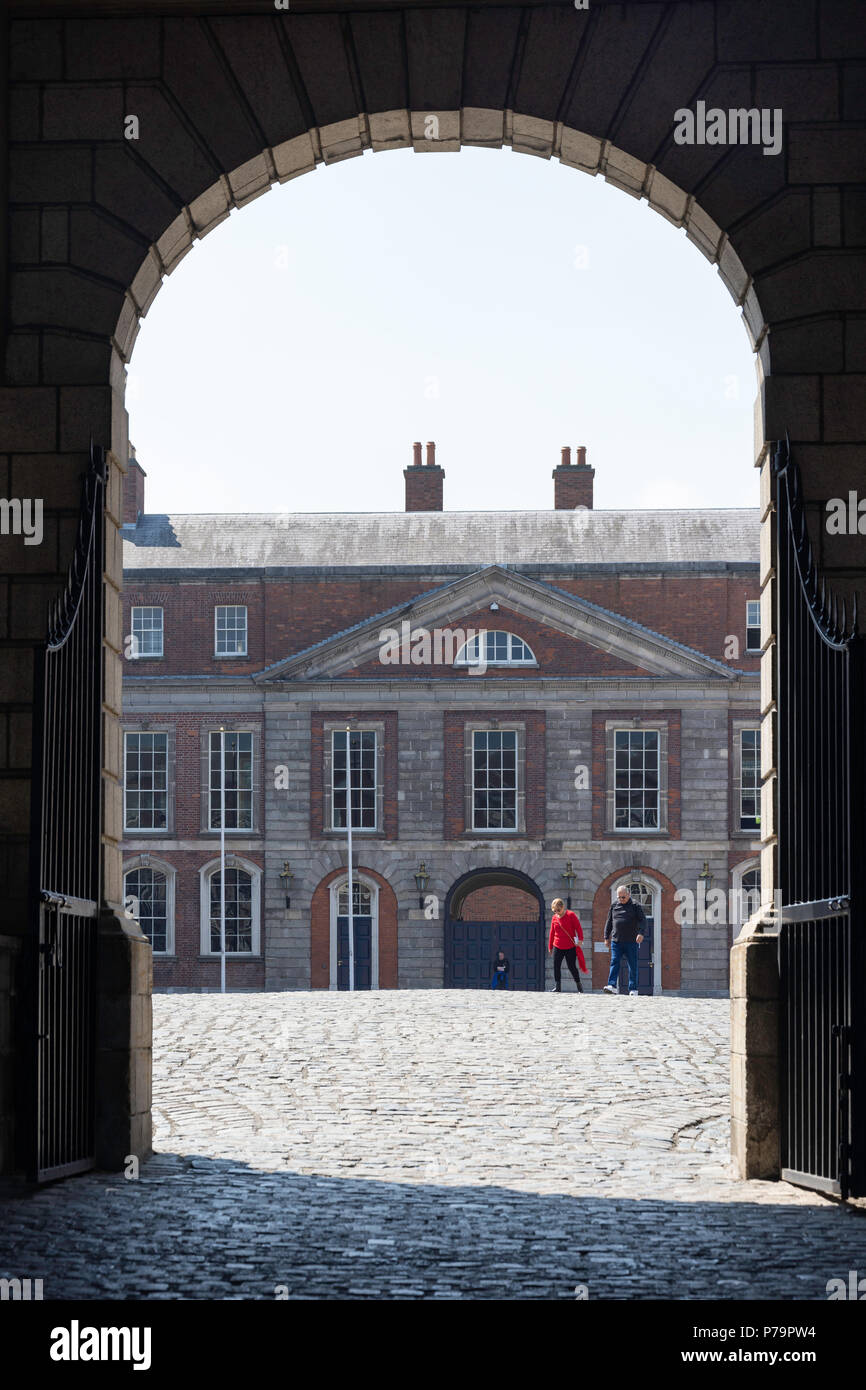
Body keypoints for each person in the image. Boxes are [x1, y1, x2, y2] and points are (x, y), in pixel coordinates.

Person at [602, 884, 646, 996]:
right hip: (616, 941)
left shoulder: (635, 905)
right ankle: (612, 985)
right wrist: (606, 937)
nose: (621, 899)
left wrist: (641, 933)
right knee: (614, 962)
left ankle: (633, 989)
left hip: (631, 941)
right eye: (619, 897)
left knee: (632, 965)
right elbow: (609, 922)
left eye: (623, 897)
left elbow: (642, 921)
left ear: (628, 894)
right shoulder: (614, 906)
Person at [548, 898, 586, 992]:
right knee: (556, 965)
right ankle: (558, 987)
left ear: (563, 907)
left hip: (570, 946)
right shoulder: (554, 918)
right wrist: (550, 946)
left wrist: (580, 939)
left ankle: (579, 985)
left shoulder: (571, 915)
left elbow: (578, 928)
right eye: (555, 911)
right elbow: (552, 932)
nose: (557, 912)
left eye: (558, 910)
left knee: (571, 966)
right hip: (557, 945)